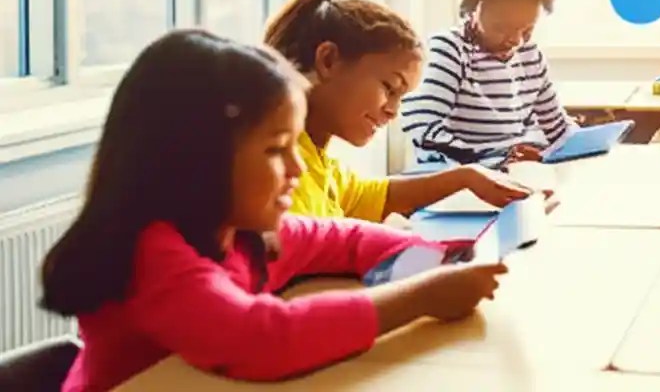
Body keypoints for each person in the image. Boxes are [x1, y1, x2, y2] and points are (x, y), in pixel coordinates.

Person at [40, 30, 507, 392]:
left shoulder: (238, 233)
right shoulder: (155, 254)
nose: (296, 167)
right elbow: (263, 339)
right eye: (275, 149)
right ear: (197, 158)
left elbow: (342, 239)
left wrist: (434, 257)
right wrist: (422, 295)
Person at [263, 0, 531, 221]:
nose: (393, 111)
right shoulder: (282, 170)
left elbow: (372, 196)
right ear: (329, 60)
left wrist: (466, 177)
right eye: (389, 88)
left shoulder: (316, 158)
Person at [401, 0, 577, 169]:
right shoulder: (450, 50)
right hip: (461, 177)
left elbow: (558, 129)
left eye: (527, 30)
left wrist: (584, 143)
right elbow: (423, 129)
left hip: (516, 173)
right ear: (475, 8)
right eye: (501, 28)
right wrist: (496, 159)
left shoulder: (530, 56)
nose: (515, 40)